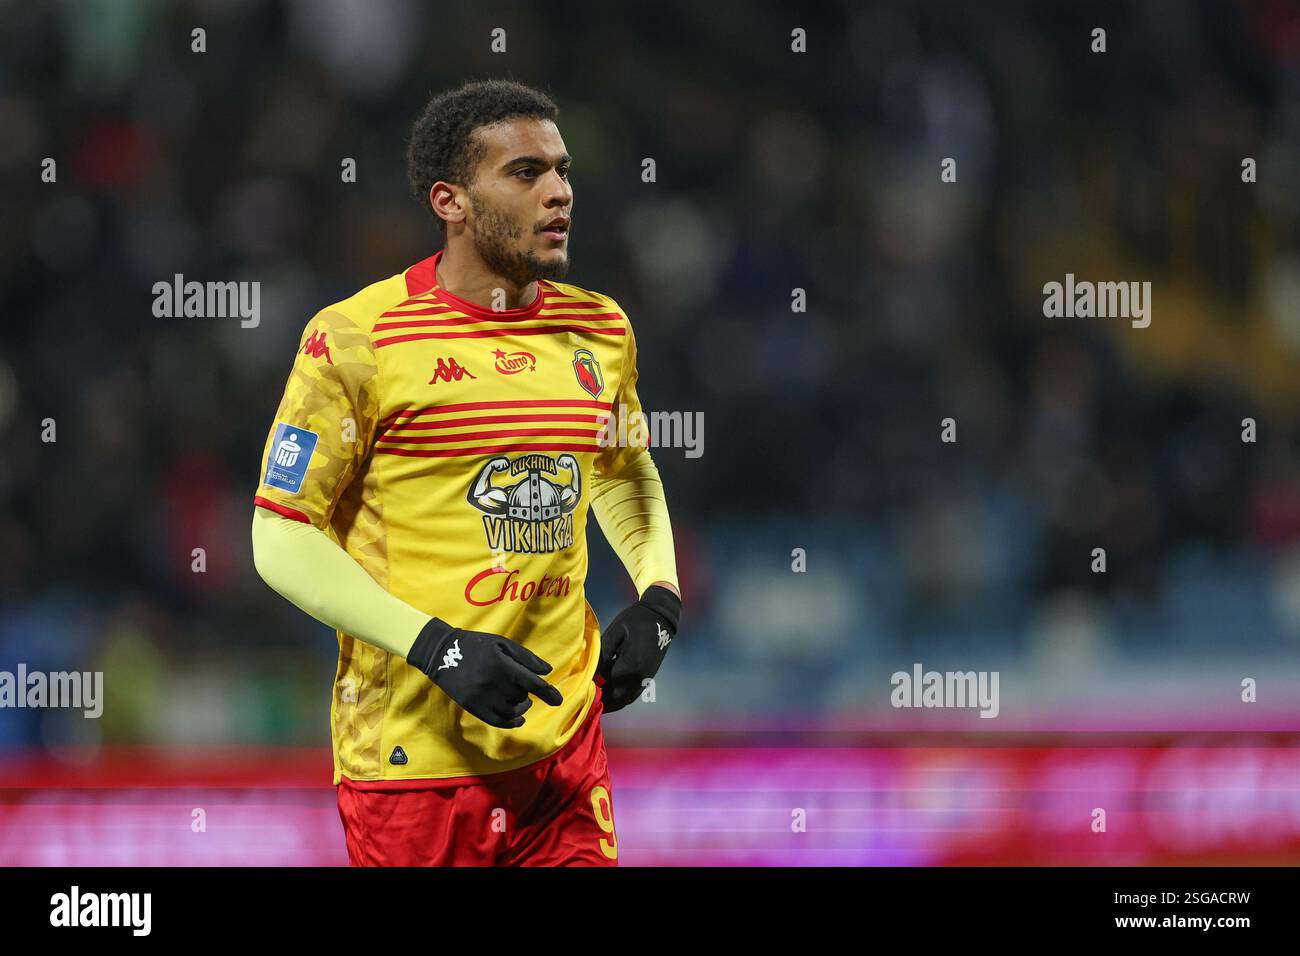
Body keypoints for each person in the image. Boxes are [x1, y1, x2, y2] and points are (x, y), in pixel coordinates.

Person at [250, 79, 680, 866]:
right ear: (450, 201)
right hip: (415, 772)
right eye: (525, 173)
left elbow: (622, 470)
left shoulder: (599, 328)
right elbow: (279, 534)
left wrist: (657, 600)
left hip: (563, 763)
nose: (559, 193)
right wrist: (435, 647)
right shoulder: (355, 340)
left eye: (562, 169)